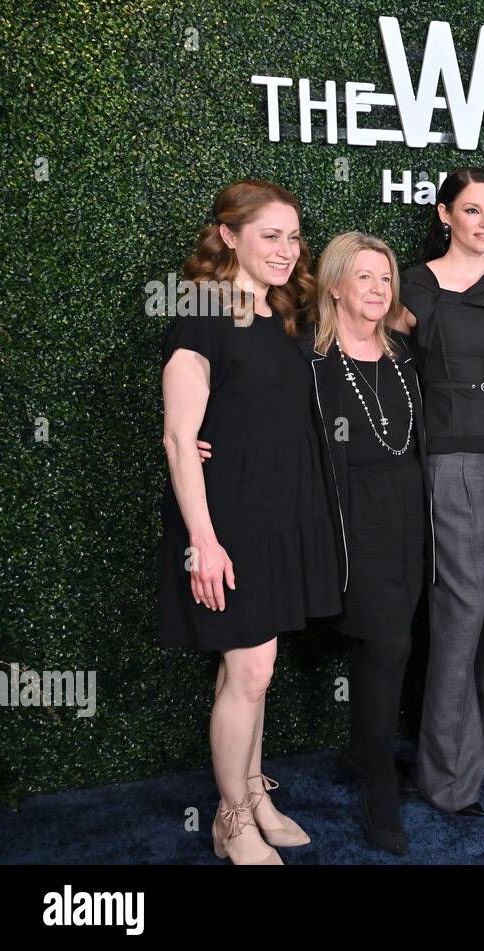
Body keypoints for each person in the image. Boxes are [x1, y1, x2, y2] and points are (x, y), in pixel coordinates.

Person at [158, 180, 341, 865]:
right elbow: (181, 438)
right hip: (226, 513)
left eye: (294, 237)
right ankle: (230, 816)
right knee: (250, 665)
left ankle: (255, 793)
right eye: (270, 235)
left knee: (258, 666)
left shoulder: (280, 311)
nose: (286, 250)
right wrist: (203, 541)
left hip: (281, 506)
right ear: (228, 236)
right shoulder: (201, 310)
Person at [393, 168, 484, 815]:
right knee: (462, 609)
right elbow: (378, 370)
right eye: (472, 210)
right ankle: (447, 775)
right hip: (449, 465)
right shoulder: (413, 285)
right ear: (445, 213)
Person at [303, 232, 428, 853]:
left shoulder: (404, 355)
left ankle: (359, 753)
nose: (380, 290)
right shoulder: (311, 360)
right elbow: (268, 429)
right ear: (334, 286)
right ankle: (378, 789)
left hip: (410, 521)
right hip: (352, 524)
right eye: (365, 279)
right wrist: (201, 442)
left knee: (390, 649)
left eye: (386, 279)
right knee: (389, 644)